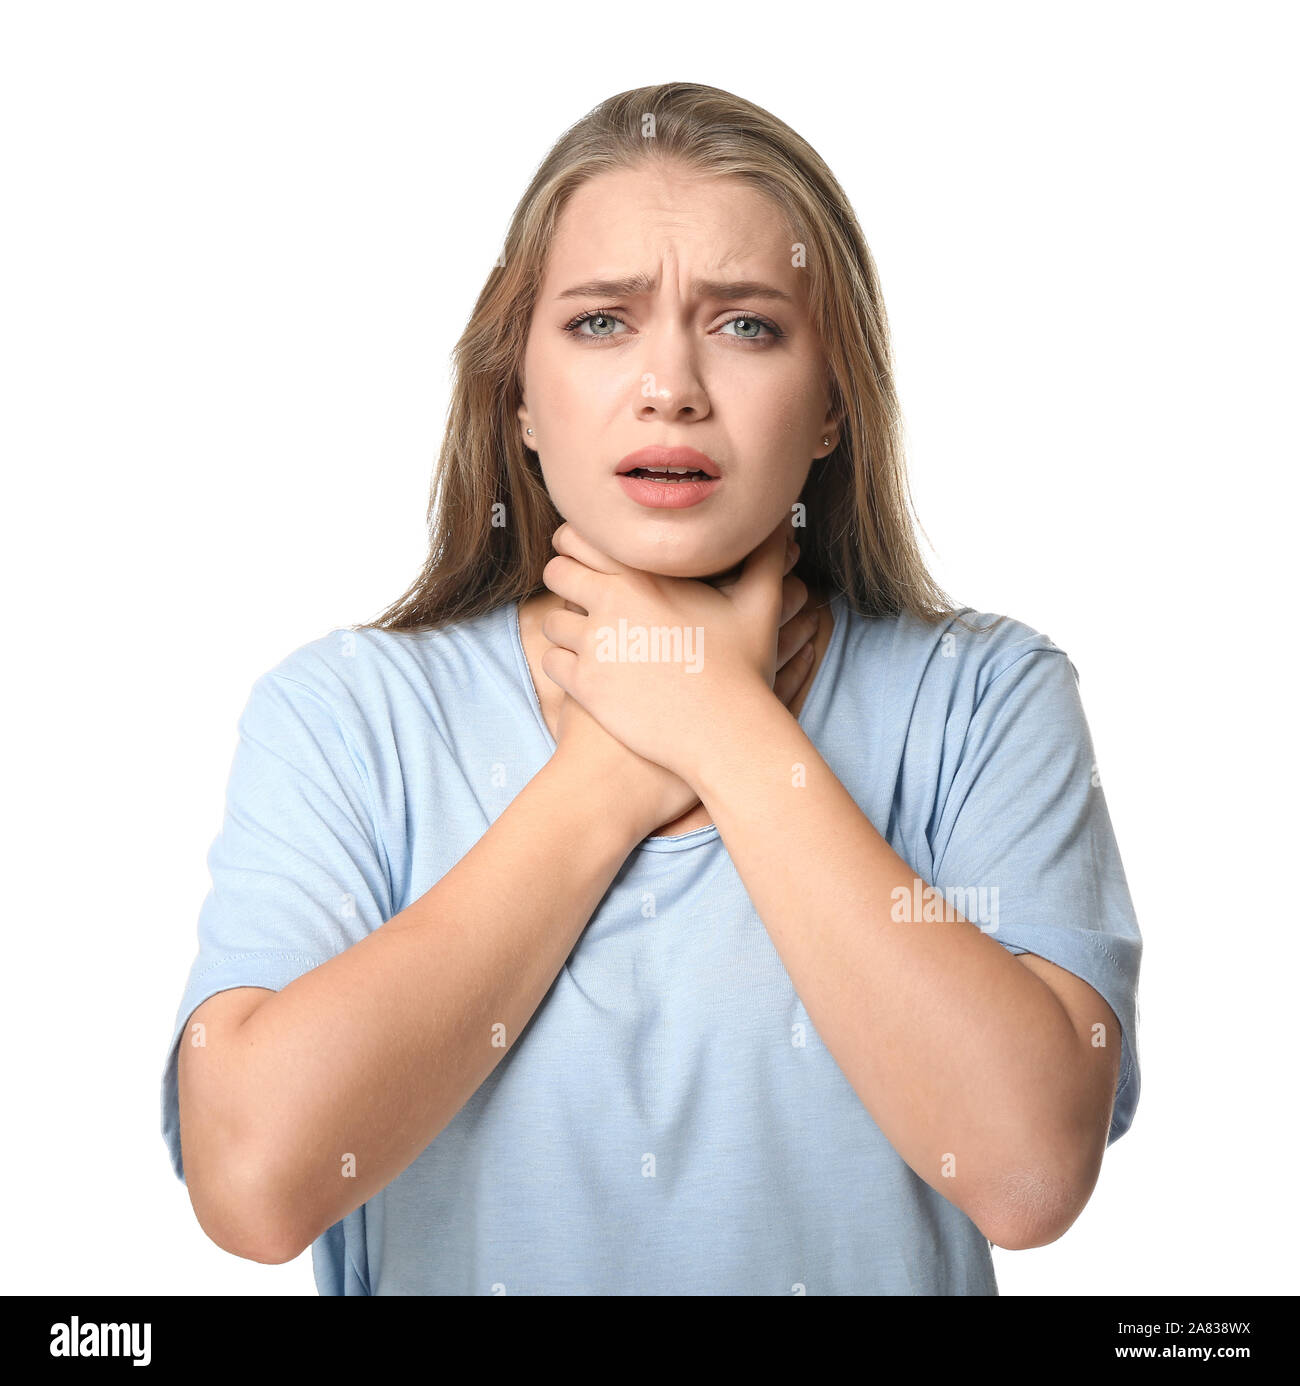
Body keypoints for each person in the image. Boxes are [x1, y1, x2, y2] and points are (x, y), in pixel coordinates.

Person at [160, 81, 1142, 1295]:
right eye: (598, 323)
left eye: (746, 326)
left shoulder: (986, 699)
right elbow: (254, 1187)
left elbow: (1027, 1173)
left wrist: (724, 728)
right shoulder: (346, 715)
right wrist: (611, 773)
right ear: (515, 393)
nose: (670, 384)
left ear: (833, 404)